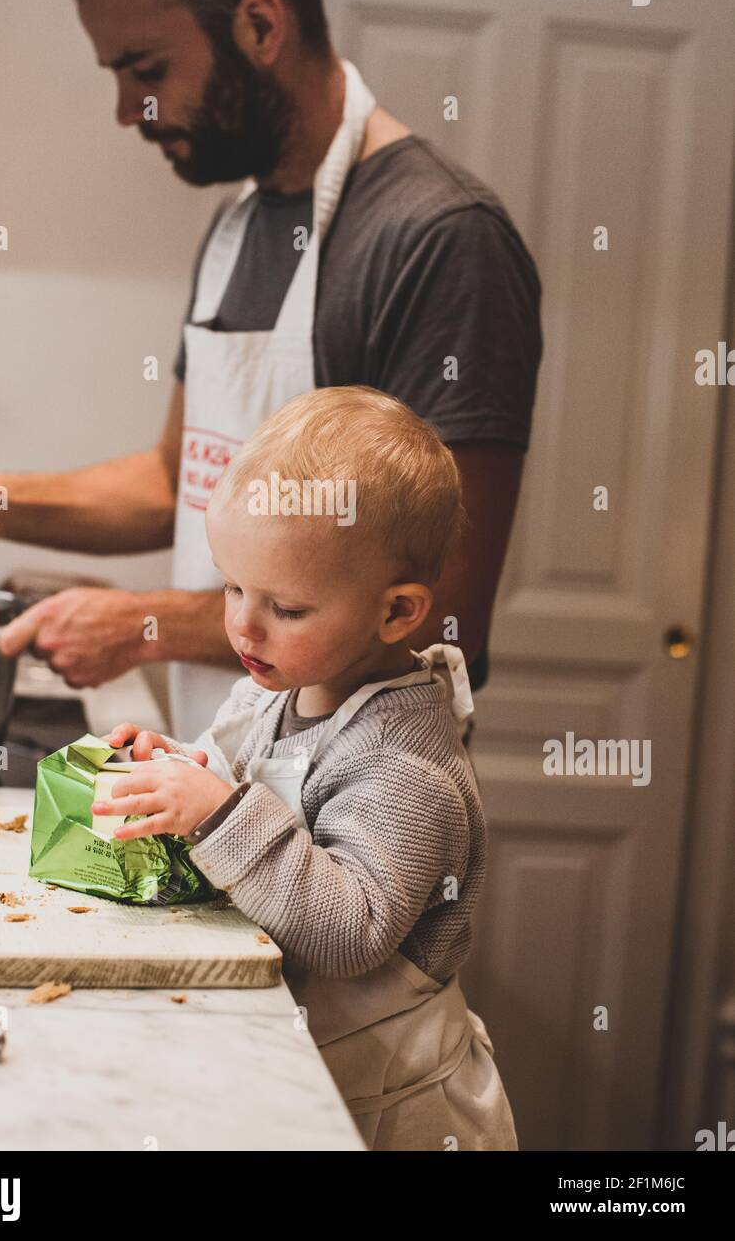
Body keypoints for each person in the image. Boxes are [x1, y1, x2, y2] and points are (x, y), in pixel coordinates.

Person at [0, 0, 542, 739]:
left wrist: (146, 624)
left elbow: (449, 611)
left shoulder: (442, 238)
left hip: (348, 818)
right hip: (229, 775)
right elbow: (177, 474)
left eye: (144, 67)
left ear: (261, 23)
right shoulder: (236, 229)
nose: (126, 110)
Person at [95, 385, 519, 1151]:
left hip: (393, 1109)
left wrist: (218, 814)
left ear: (397, 613)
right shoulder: (284, 693)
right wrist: (177, 772)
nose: (242, 625)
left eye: (286, 608)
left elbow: (349, 928)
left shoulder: (405, 763)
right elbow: (237, 793)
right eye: (232, 587)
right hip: (308, 1073)